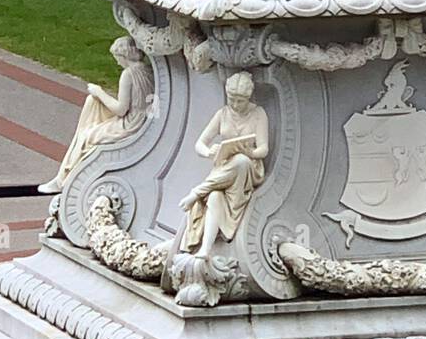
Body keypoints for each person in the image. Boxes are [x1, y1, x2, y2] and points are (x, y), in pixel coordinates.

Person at [38, 37, 153, 194]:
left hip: (131, 124)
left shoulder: (129, 74)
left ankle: (64, 178)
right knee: (92, 103)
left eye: (118, 58)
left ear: (124, 55)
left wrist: (99, 92)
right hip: (143, 119)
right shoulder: (148, 70)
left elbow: (120, 109)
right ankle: (61, 177)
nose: (118, 63)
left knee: (87, 135)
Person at [179, 72, 269, 260]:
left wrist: (249, 152)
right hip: (225, 169)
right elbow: (200, 144)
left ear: (248, 98)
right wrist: (208, 152)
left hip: (248, 169)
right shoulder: (223, 113)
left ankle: (197, 192)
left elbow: (263, 149)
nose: (235, 105)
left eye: (240, 101)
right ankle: (205, 249)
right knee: (214, 197)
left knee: (241, 161)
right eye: (232, 100)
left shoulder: (258, 113)